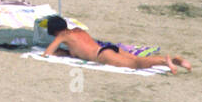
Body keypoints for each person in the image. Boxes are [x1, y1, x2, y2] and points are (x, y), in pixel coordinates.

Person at [44, 16, 191, 73]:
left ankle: (164, 61)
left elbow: (47, 53)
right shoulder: (77, 30)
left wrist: (57, 46)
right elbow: (79, 48)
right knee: (135, 59)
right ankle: (175, 61)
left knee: (136, 64)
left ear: (55, 31)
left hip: (102, 55)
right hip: (108, 48)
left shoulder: (63, 36)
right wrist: (66, 52)